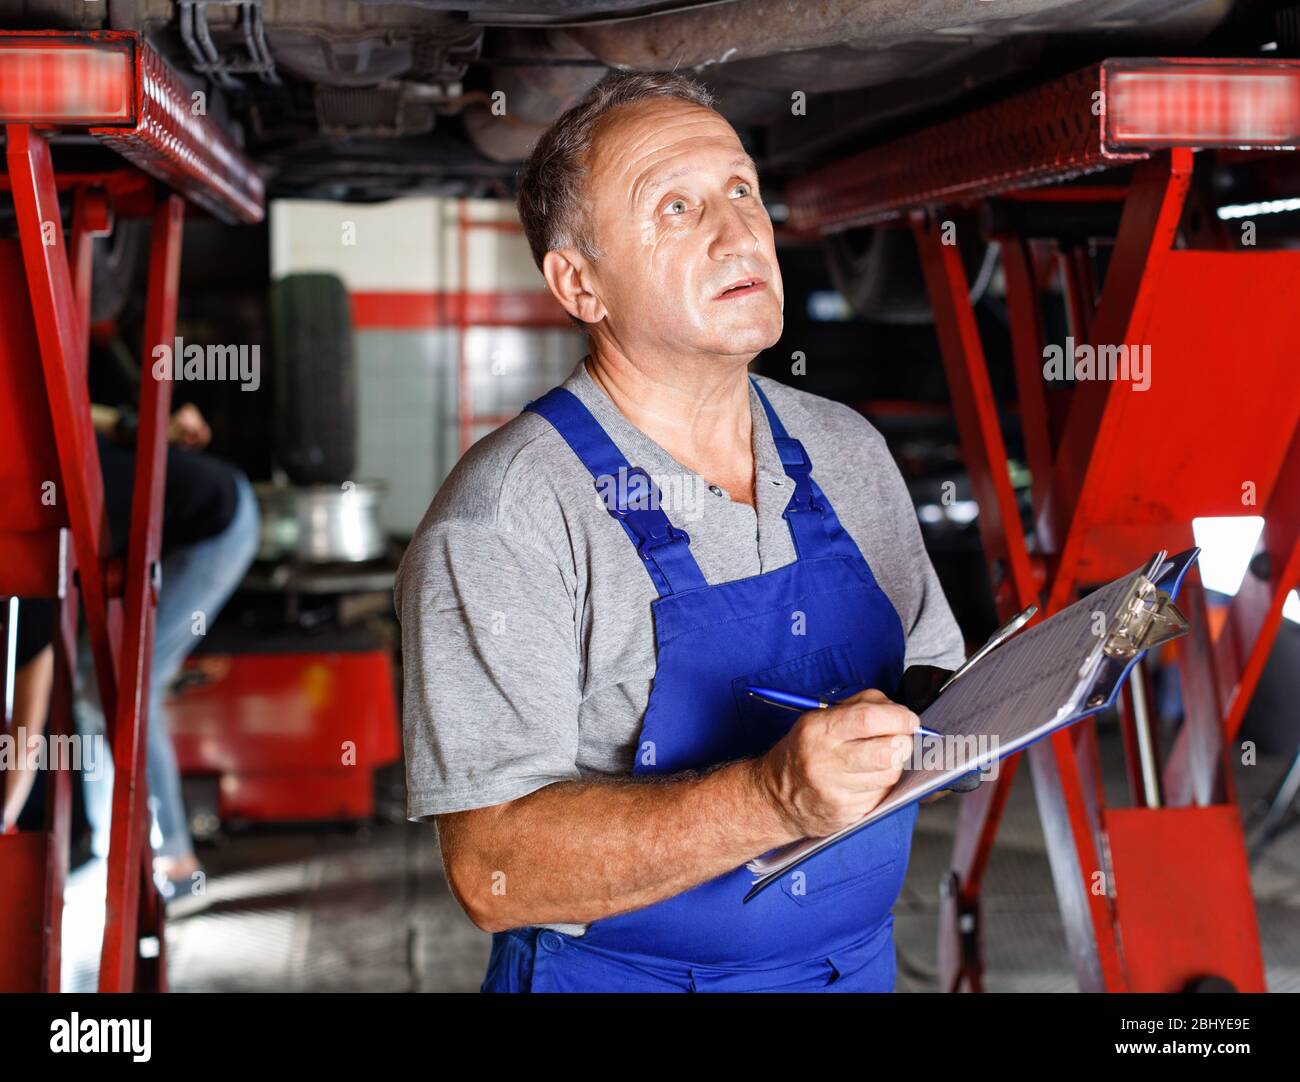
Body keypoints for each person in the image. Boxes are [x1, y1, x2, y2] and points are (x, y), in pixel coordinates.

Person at [395, 71, 970, 993]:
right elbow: (491, 871)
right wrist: (775, 796)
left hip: (852, 970)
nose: (738, 230)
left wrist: (1001, 706)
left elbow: (929, 676)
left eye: (742, 189)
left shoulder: (844, 448)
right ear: (580, 283)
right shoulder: (509, 517)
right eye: (675, 206)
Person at [4, 404, 258, 903]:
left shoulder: (25, 526)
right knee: (91, 683)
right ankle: (109, 849)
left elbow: (29, 715)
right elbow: (74, 406)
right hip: (166, 529)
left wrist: (3, 816)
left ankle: (177, 863)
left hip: (216, 530)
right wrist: (129, 423)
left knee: (122, 690)